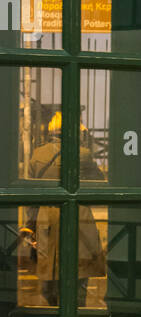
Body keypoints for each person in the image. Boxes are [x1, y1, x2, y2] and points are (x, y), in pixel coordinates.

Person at [23, 112, 106, 307]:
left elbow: (31, 195)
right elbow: (100, 183)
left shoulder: (37, 154)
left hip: (46, 221)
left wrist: (31, 225)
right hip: (78, 219)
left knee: (50, 279)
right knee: (78, 278)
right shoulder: (83, 154)